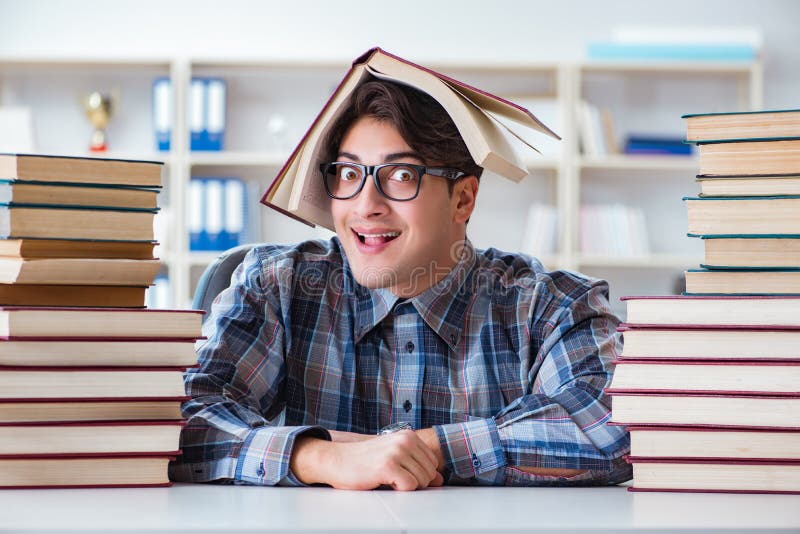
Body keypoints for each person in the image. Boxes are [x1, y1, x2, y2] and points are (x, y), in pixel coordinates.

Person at [169, 78, 632, 490]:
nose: (365, 205)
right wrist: (321, 457)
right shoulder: (279, 285)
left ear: (463, 199)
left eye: (401, 176)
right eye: (349, 173)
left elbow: (615, 426)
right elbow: (181, 415)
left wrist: (423, 449)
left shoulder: (551, 306)